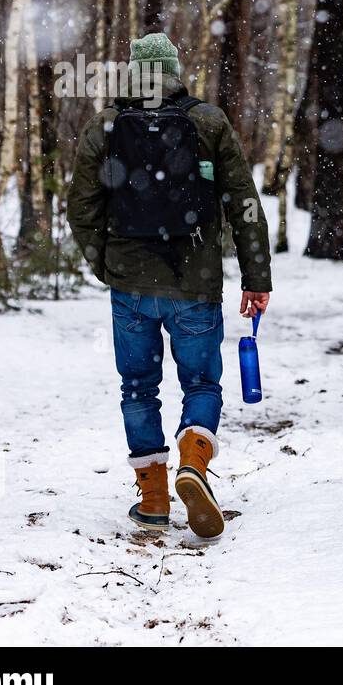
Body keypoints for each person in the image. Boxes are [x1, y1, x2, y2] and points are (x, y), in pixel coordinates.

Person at [66, 32, 272, 538]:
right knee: (201, 384)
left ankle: (155, 499)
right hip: (194, 282)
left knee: (138, 389)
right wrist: (256, 276)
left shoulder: (107, 125)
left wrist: (105, 265)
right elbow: (244, 204)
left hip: (130, 285)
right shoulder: (207, 121)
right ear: (175, 70)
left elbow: (80, 208)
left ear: (133, 73)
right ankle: (193, 464)